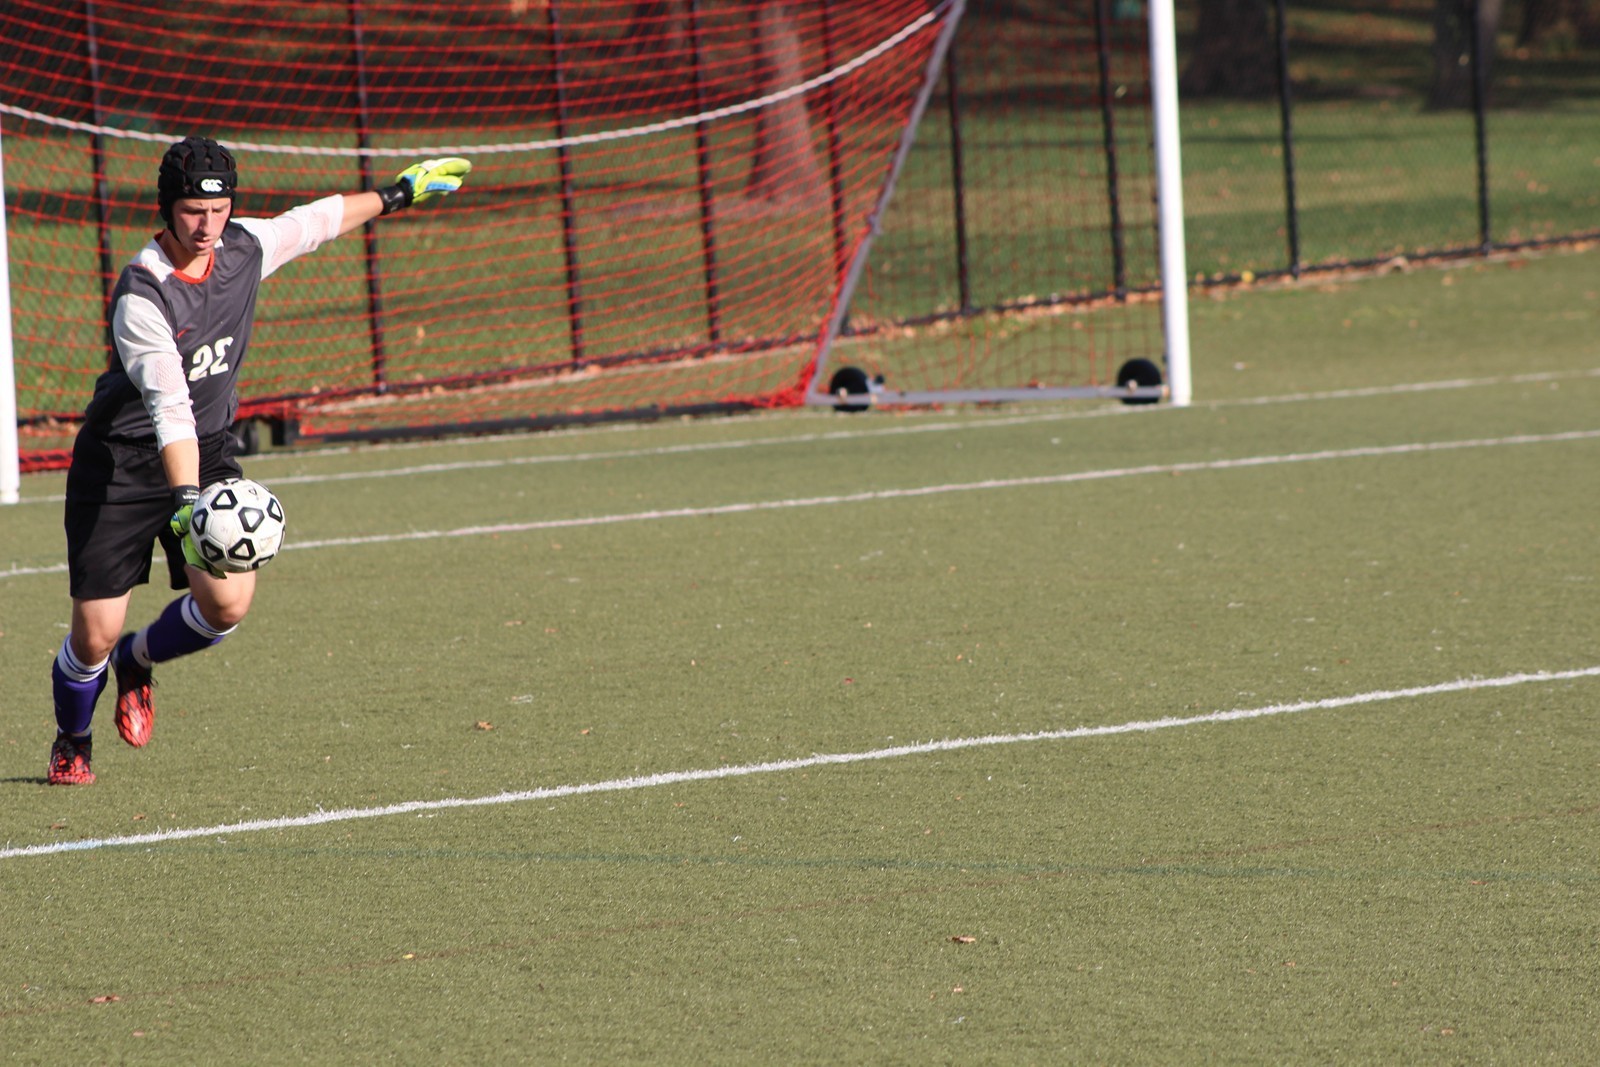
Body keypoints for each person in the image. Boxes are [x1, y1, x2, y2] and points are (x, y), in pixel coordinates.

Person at [47, 137, 471, 785]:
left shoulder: (243, 246)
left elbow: (316, 221)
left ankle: (138, 661)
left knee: (227, 604)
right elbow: (168, 403)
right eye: (192, 212)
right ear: (167, 208)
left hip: (207, 452)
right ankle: (73, 736)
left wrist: (397, 193)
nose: (207, 226)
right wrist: (187, 501)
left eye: (218, 212)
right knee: (93, 636)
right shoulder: (143, 292)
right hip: (123, 467)